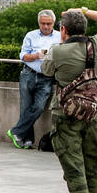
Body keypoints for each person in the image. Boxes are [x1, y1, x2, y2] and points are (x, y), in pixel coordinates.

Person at [41, 7, 97, 193]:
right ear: (84, 28)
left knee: (73, 164)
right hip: (96, 112)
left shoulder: (57, 51)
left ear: (63, 30)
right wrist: (84, 10)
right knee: (92, 162)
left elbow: (46, 71)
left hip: (66, 115)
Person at [8, 9, 61, 149]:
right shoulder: (30, 35)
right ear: (39, 22)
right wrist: (37, 56)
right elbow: (23, 56)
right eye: (43, 23)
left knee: (38, 107)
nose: (46, 26)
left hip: (47, 77)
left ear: (53, 23)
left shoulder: (60, 37)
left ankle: (16, 132)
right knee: (25, 108)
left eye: (49, 24)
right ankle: (27, 140)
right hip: (29, 74)